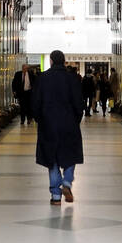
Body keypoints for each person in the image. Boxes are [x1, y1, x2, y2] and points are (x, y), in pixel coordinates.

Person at [32, 49, 84, 204]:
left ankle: (56, 195)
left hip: (49, 123)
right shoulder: (72, 79)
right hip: (69, 123)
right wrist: (75, 119)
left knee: (51, 158)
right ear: (64, 61)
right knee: (70, 154)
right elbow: (79, 103)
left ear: (51, 61)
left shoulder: (43, 78)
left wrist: (39, 119)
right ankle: (67, 182)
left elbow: (35, 103)